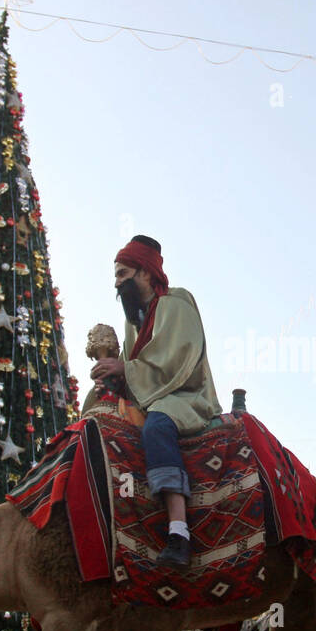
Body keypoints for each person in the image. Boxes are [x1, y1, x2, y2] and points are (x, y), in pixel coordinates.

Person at [91, 235, 221, 568]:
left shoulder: (176, 303)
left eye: (123, 274)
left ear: (146, 274)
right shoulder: (132, 321)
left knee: (157, 426)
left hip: (185, 397)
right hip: (150, 398)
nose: (117, 283)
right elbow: (133, 368)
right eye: (116, 276)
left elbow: (176, 361)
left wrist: (126, 368)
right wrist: (114, 377)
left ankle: (179, 532)